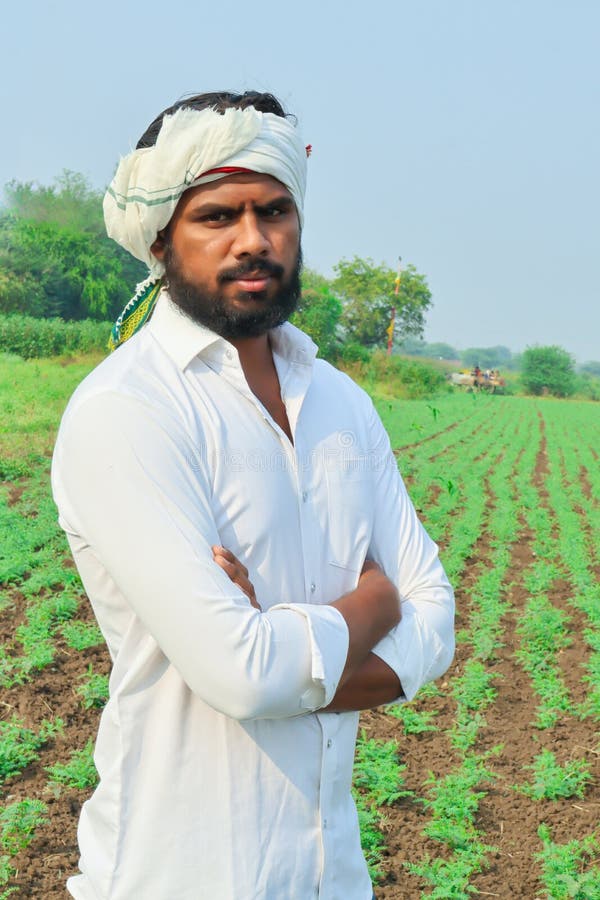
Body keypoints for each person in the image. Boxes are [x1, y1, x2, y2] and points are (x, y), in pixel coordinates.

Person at [52, 91, 454, 900]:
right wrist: (373, 605)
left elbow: (435, 622)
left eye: (274, 211)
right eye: (216, 217)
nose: (253, 240)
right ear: (161, 238)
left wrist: (277, 645)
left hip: (331, 871)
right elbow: (243, 677)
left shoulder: (341, 402)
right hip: (179, 873)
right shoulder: (127, 412)